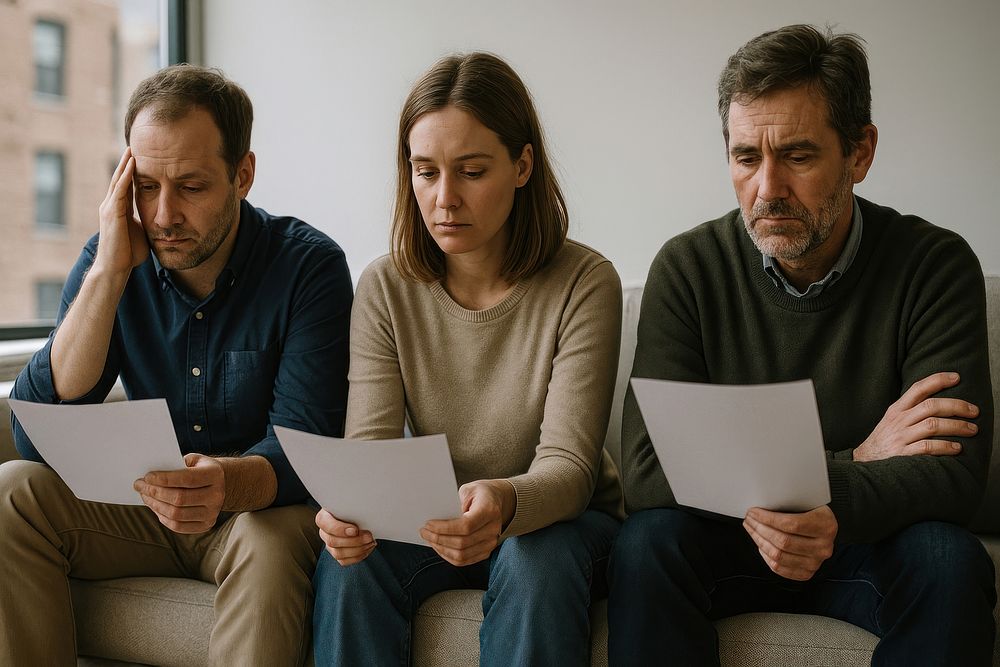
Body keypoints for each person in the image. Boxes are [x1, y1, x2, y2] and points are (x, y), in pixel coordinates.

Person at [608, 24, 995, 666]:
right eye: (745, 157)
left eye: (797, 155)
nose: (767, 188)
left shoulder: (935, 265)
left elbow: (953, 474)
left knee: (948, 557)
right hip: (733, 545)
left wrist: (830, 500)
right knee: (648, 543)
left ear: (860, 152)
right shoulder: (688, 267)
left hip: (872, 547)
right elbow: (648, 470)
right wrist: (856, 461)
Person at [0, 65, 352, 665]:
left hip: (254, 513)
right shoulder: (113, 259)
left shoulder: (308, 268)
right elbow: (33, 434)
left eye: (191, 187)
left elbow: (309, 447)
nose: (163, 214)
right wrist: (109, 272)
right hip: (146, 510)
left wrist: (224, 483)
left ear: (243, 175)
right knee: (12, 491)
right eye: (145, 186)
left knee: (269, 542)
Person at [311, 52, 623, 665]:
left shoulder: (585, 282)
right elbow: (369, 452)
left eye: (471, 171)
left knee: (533, 555)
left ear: (522, 165)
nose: (444, 198)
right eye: (425, 172)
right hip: (434, 520)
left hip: (562, 525)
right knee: (349, 566)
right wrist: (350, 514)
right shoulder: (385, 287)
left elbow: (569, 466)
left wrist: (504, 500)